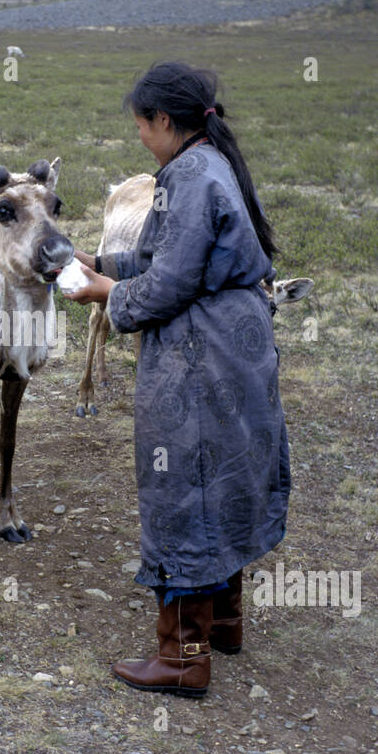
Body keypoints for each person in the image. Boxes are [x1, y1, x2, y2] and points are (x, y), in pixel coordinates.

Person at [66, 61, 291, 698]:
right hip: (238, 344)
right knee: (224, 474)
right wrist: (100, 261)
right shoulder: (207, 163)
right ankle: (223, 620)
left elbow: (166, 284)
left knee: (185, 483)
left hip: (203, 354)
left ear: (164, 120)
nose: (138, 135)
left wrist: (109, 294)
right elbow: (168, 254)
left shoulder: (190, 175)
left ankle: (183, 657)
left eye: (140, 123)